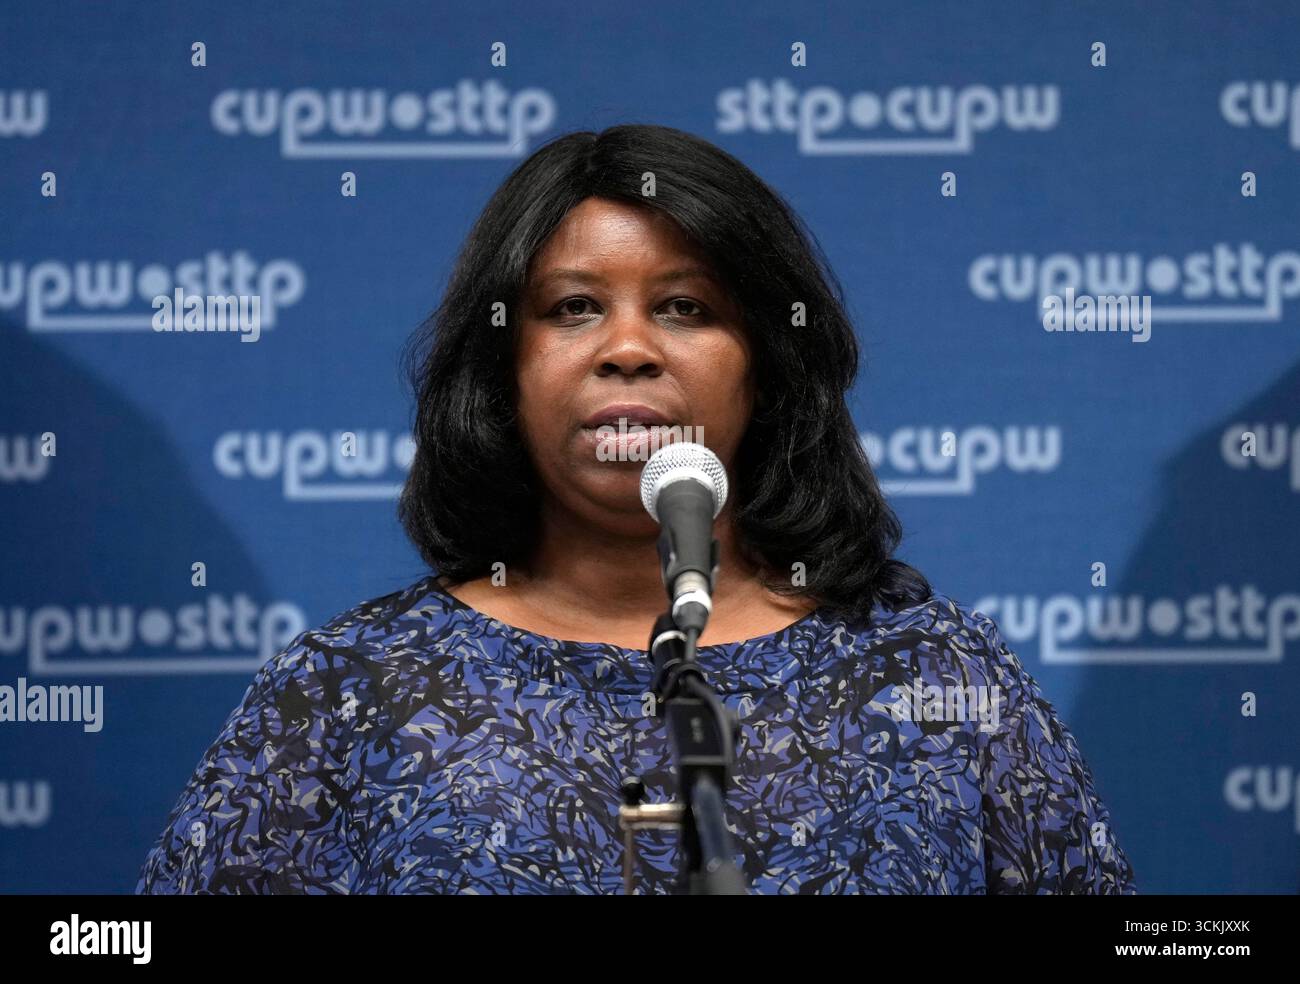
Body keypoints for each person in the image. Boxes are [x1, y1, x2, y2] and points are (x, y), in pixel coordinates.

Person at [135, 124, 1136, 894]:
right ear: (502, 369)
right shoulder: (348, 692)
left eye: (685, 308)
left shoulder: (934, 678)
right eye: (573, 307)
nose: (628, 348)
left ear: (766, 368)